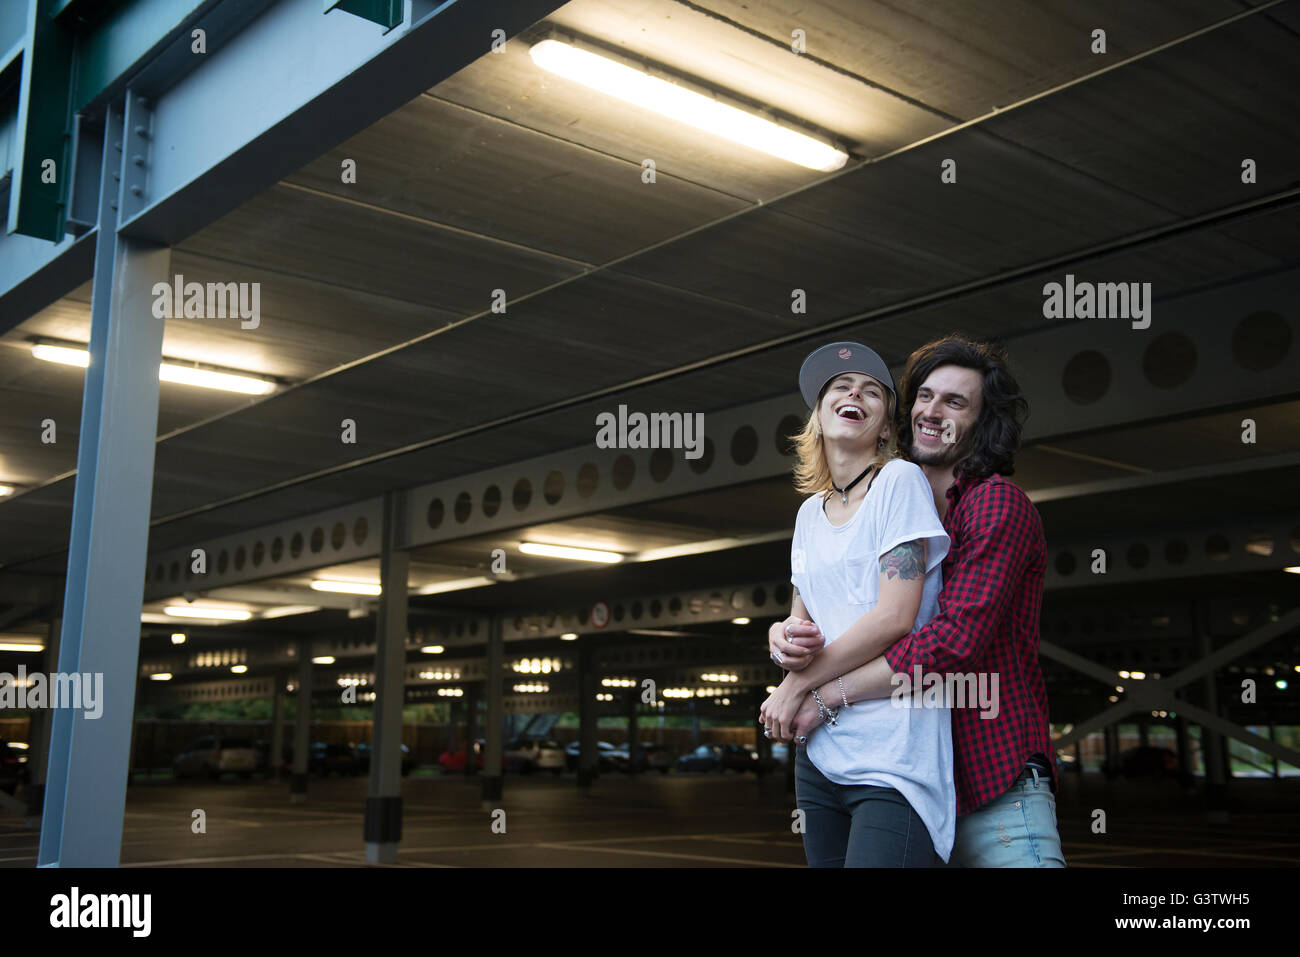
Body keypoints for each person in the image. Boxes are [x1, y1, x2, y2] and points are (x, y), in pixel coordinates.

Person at [767, 335, 1066, 868]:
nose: (932, 411)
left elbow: (951, 644)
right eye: (924, 396)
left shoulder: (994, 504)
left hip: (990, 775)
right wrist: (784, 636)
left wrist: (820, 693)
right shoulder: (874, 503)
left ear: (981, 422)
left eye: (955, 402)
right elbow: (829, 603)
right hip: (914, 761)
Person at [759, 341, 952, 867]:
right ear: (818, 418)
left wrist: (796, 685)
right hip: (819, 754)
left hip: (894, 757)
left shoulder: (899, 482)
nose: (854, 394)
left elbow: (895, 616)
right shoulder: (808, 515)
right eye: (840, 389)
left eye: (871, 392)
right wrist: (782, 641)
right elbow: (803, 623)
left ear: (886, 427)